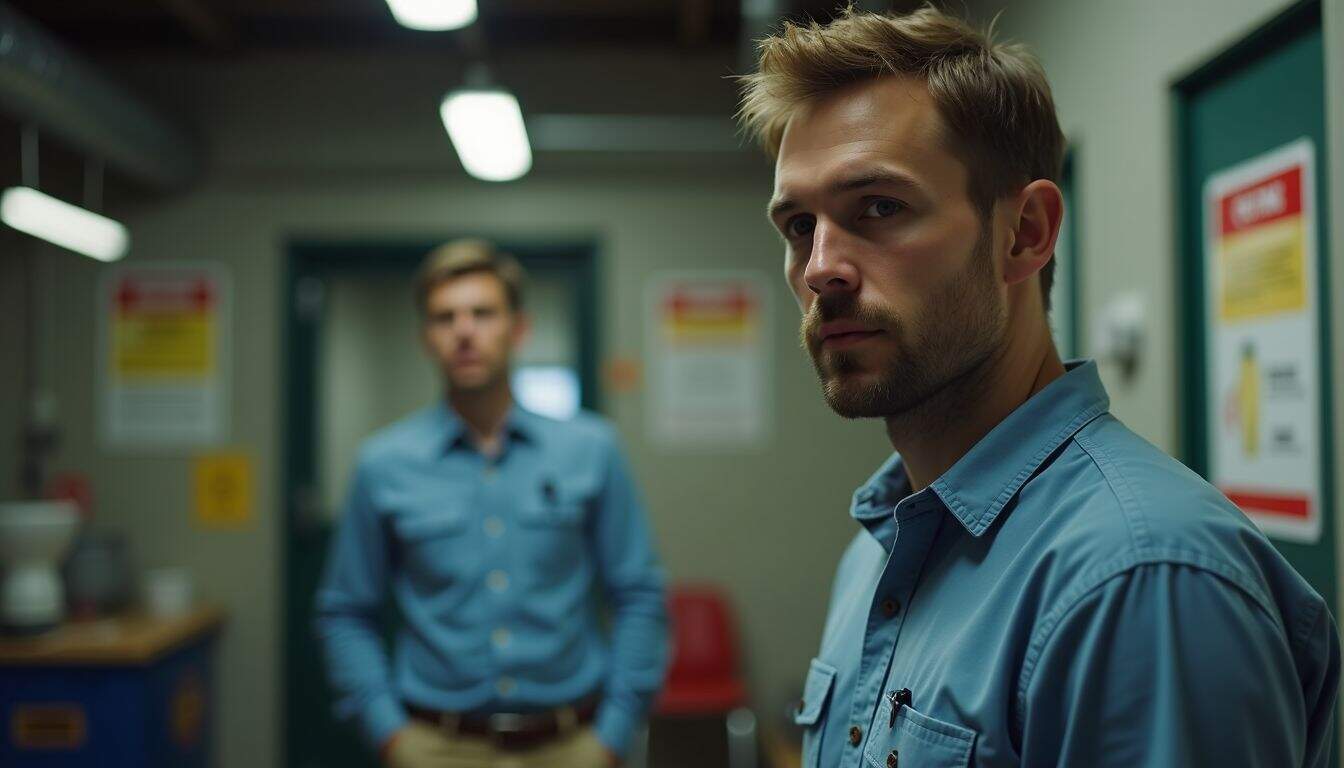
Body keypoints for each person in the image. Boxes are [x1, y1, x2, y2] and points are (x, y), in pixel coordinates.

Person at [738, 7, 1338, 767]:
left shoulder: (1141, 582)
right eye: (798, 226)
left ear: (1025, 233)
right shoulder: (879, 550)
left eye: (878, 208)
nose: (820, 266)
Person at [315, 240, 668, 768]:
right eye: (444, 317)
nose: (464, 330)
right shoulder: (383, 465)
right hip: (435, 747)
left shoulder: (591, 451)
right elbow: (345, 612)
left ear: (517, 329)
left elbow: (639, 595)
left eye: (482, 313)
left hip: (572, 745)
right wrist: (390, 734)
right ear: (425, 338)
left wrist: (612, 735)